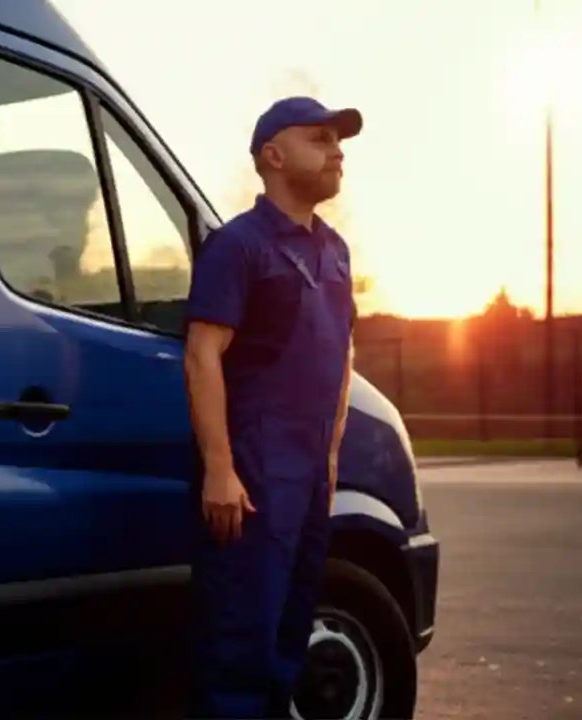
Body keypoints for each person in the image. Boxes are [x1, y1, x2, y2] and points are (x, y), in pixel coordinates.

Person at [182, 96, 361, 718]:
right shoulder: (237, 247)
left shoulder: (335, 250)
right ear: (273, 155)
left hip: (309, 475)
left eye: (339, 140)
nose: (336, 150)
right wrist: (219, 468)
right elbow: (202, 355)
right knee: (240, 641)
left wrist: (331, 456)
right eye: (320, 138)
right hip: (254, 475)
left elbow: (341, 354)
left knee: (289, 637)